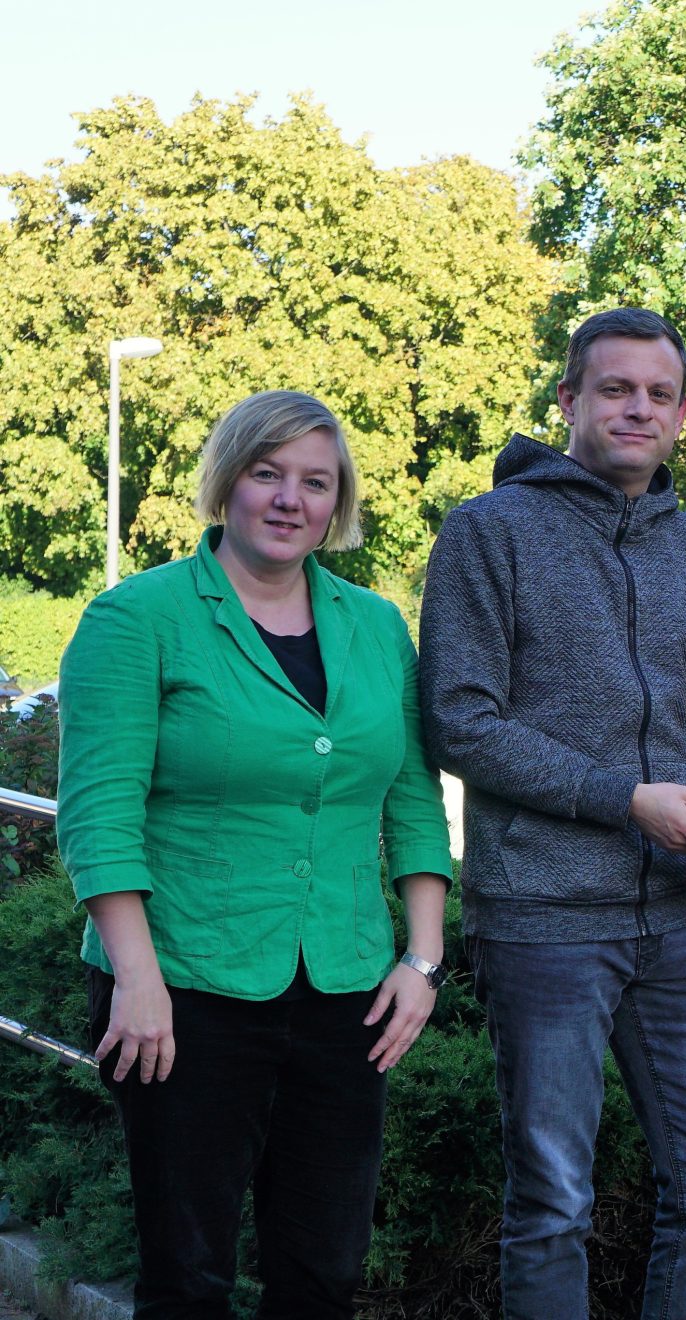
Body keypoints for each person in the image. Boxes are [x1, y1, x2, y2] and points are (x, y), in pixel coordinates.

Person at [57, 390, 453, 1316]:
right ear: (227, 483)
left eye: (316, 482)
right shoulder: (137, 618)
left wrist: (423, 959)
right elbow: (98, 815)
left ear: (338, 502)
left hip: (348, 985)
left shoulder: (376, 626)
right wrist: (136, 979)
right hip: (181, 985)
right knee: (188, 1275)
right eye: (267, 473)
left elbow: (412, 799)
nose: (290, 499)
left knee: (324, 1269)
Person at [419, 308, 686, 1317]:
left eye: (659, 395)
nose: (637, 409)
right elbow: (461, 722)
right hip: (544, 917)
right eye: (615, 389)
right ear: (568, 399)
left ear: (683, 416)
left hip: (685, 920)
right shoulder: (491, 533)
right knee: (553, 1204)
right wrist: (625, 800)